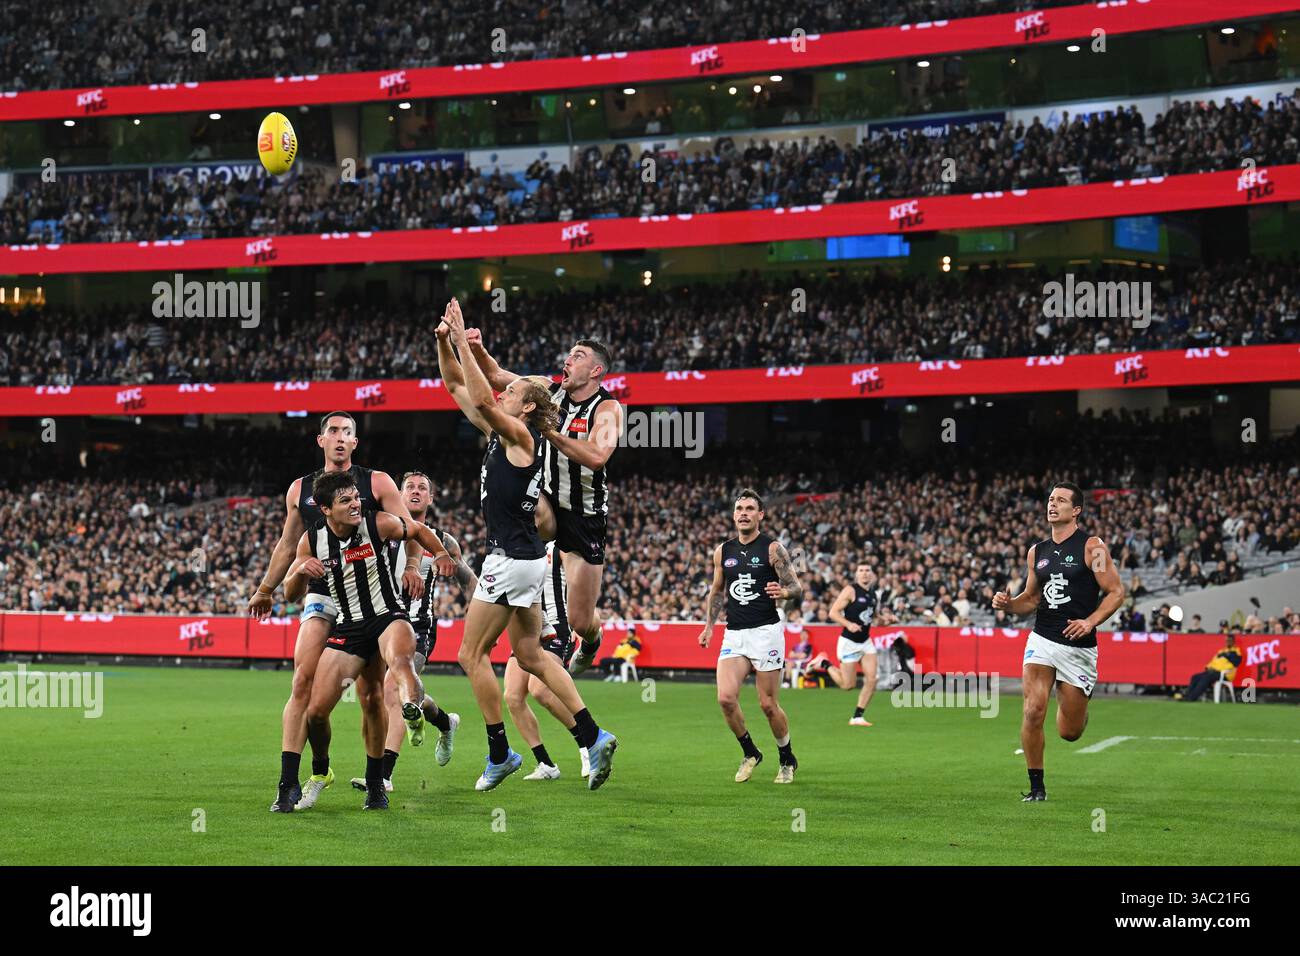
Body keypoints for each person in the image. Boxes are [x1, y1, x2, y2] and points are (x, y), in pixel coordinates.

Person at [437, 297, 618, 791]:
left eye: (513, 390)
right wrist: (444, 344)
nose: (505, 390)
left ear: (527, 406)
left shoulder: (518, 434)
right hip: (532, 561)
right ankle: (593, 735)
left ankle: (499, 752)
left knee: (470, 657)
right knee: (533, 655)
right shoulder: (506, 429)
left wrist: (459, 338)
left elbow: (479, 394)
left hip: (510, 559)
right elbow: (459, 386)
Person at [251, 411, 427, 814]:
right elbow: (286, 544)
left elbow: (410, 526)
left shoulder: (377, 481)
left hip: (369, 599)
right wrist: (267, 588)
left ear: (356, 442)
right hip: (323, 592)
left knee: (368, 695)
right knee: (301, 683)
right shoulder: (300, 489)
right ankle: (291, 782)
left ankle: (376, 781)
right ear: (321, 440)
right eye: (334, 431)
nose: (341, 437)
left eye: (349, 431)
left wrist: (414, 566)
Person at [282, 471, 454, 811]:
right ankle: (320, 772)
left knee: (394, 672)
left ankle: (380, 778)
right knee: (316, 713)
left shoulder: (378, 523)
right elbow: (290, 592)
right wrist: (301, 571)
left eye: (356, 498)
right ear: (326, 509)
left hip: (388, 615)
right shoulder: (312, 540)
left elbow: (418, 529)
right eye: (345, 501)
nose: (355, 504)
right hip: (348, 628)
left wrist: (441, 555)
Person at [463, 328, 622, 676]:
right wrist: (476, 347)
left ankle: (591, 638)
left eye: (578, 356)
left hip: (584, 515)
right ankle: (537, 615)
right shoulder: (549, 390)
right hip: (547, 499)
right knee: (524, 512)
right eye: (569, 353)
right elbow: (495, 376)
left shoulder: (608, 408)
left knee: (581, 620)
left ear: (596, 371)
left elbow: (596, 457)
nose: (567, 359)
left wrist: (550, 432)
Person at [993, 481, 1125, 802]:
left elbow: (1115, 592)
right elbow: (1031, 599)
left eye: (1061, 501)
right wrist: (1009, 605)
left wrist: (1090, 621)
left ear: (1076, 510)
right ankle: (1037, 788)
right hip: (1043, 638)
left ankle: (1075, 706)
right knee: (1033, 710)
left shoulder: (1091, 547)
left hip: (1078, 648)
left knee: (1070, 731)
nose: (1053, 504)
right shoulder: (1036, 552)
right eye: (1051, 499)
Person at [348, 470, 475, 794]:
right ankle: (445, 722)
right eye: (410, 487)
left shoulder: (443, 542)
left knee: (392, 690)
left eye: (423, 488)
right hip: (379, 624)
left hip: (418, 626)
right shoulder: (382, 531)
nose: (416, 492)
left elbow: (469, 583)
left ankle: (383, 775)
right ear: (399, 495)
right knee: (398, 695)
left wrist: (480, 626)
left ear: (431, 499)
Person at [698, 488, 804, 784]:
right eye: (739, 508)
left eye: (749, 509)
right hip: (734, 633)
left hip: (766, 633)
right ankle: (750, 752)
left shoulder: (773, 549)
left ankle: (787, 758)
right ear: (734, 515)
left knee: (768, 705)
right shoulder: (723, 551)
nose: (743, 513)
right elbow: (717, 590)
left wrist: (783, 592)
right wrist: (709, 626)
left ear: (760, 515)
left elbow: (797, 588)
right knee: (725, 698)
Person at [503, 541, 593, 781]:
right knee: (512, 696)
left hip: (556, 626)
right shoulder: (516, 544)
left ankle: (587, 746)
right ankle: (545, 764)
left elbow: (579, 581)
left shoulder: (560, 545)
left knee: (540, 690)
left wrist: (582, 620)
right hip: (527, 630)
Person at [824, 562, 880, 726]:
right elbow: (833, 613)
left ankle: (857, 716)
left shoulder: (873, 594)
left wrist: (886, 621)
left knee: (872, 679)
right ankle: (824, 663)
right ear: (856, 574)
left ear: (872, 574)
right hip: (849, 642)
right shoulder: (850, 590)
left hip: (865, 642)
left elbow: (870, 618)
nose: (864, 573)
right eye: (861, 570)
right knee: (848, 685)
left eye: (867, 570)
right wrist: (848, 624)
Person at [1174, 634, 1242, 701]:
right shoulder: (1221, 651)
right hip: (1213, 671)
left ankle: (1192, 698)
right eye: (1226, 640)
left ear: (1233, 641)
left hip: (1224, 674)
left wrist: (1226, 657)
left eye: (1229, 640)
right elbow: (1213, 661)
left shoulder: (1236, 651)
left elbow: (1236, 663)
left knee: (1206, 678)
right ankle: (1187, 695)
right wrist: (1208, 667)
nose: (1228, 642)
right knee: (1195, 677)